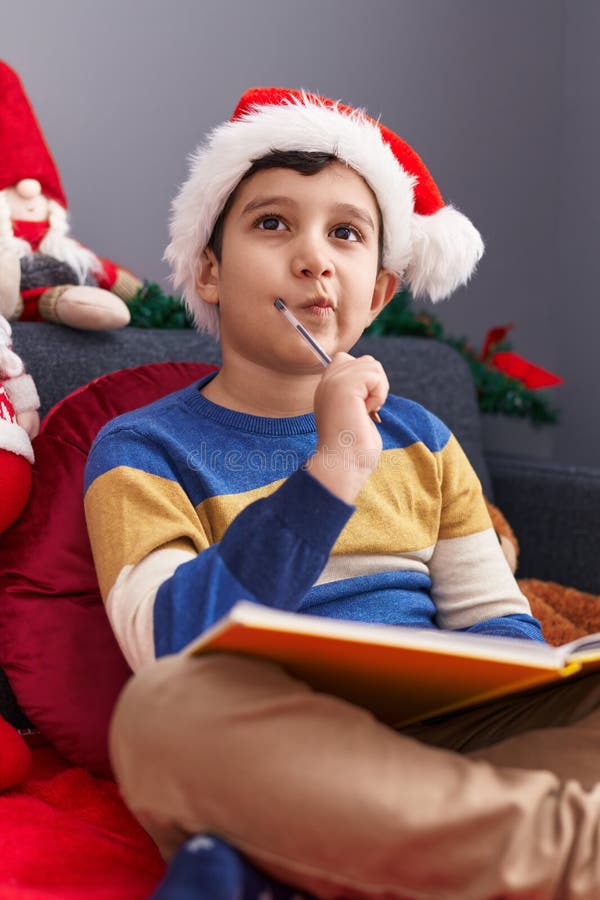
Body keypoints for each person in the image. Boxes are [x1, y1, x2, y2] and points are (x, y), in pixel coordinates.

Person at [84, 88, 600, 899]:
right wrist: (331, 470)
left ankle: (299, 868)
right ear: (209, 271)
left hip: (455, 744)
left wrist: (516, 680)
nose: (314, 257)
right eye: (273, 224)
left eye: (346, 234)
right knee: (161, 717)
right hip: (280, 749)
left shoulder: (424, 438)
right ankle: (552, 855)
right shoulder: (141, 449)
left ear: (380, 291)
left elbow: (497, 625)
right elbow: (167, 645)